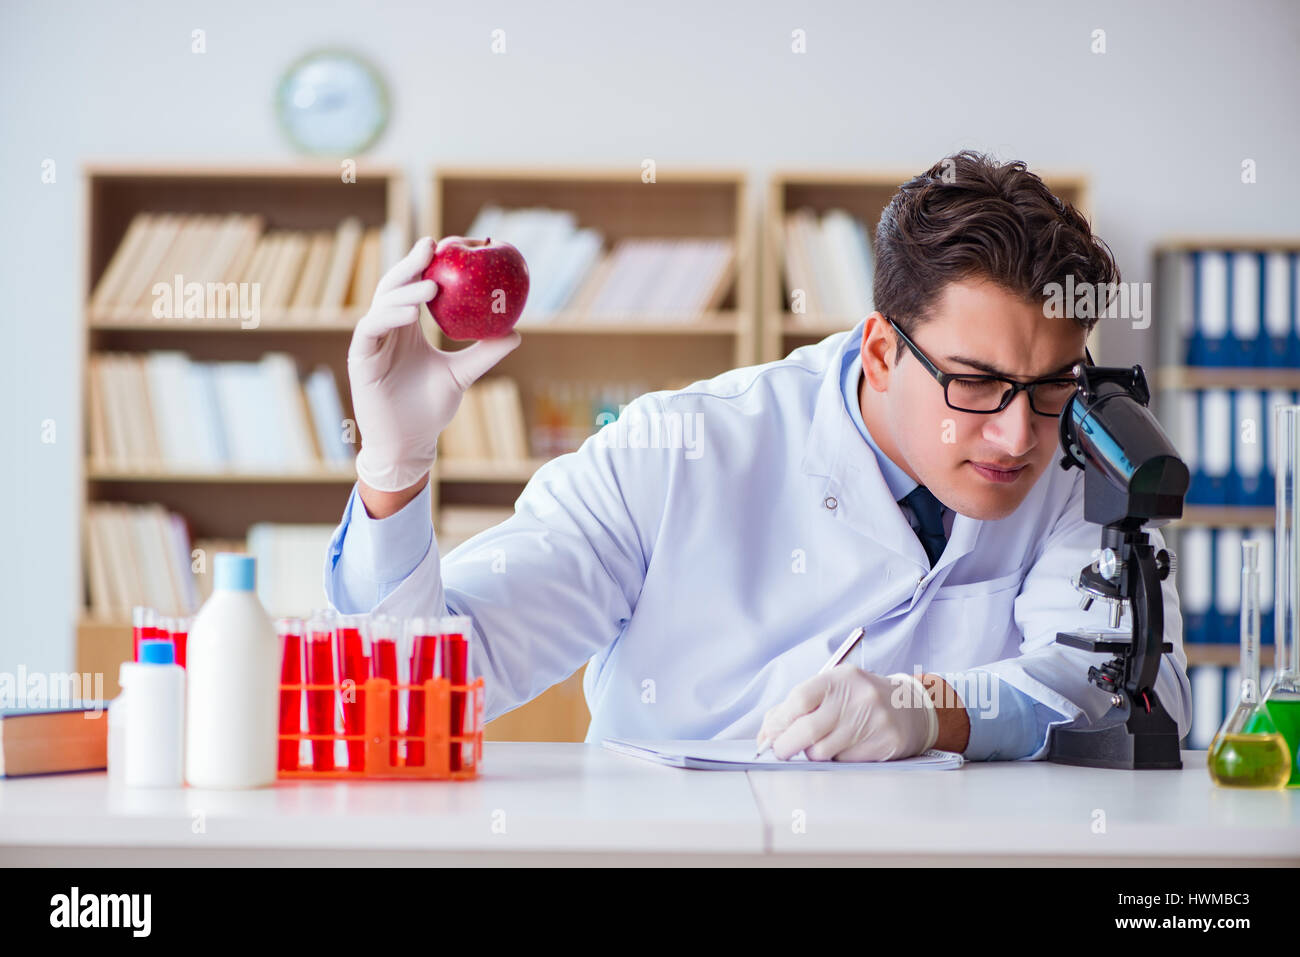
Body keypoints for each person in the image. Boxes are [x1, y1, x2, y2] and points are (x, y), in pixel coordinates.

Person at [325, 150, 1191, 762]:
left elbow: (1138, 695)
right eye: (975, 383)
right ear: (882, 352)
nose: (1017, 435)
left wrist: (941, 711)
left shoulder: (1075, 454)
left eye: (1050, 384)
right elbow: (412, 690)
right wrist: (393, 470)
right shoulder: (673, 452)